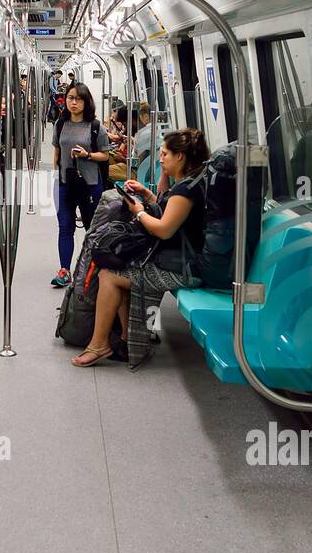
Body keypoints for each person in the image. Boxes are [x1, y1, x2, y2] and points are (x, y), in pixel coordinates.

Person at [71, 129, 210, 368]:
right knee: (123, 268)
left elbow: (164, 228)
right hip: (179, 258)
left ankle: (99, 343)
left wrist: (139, 212)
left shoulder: (185, 190)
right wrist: (147, 195)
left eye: (165, 154)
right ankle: (127, 339)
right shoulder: (190, 182)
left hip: (185, 268)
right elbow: (169, 212)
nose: (160, 159)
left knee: (109, 275)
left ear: (180, 157)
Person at [51, 83, 111, 287]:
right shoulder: (60, 125)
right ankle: (64, 270)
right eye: (70, 98)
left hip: (90, 184)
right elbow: (57, 153)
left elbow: (105, 155)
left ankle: (92, 270)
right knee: (64, 227)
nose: (73, 102)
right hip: (65, 183)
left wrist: (87, 155)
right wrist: (58, 172)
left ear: (86, 102)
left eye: (78, 99)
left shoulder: (96, 127)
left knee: (92, 229)